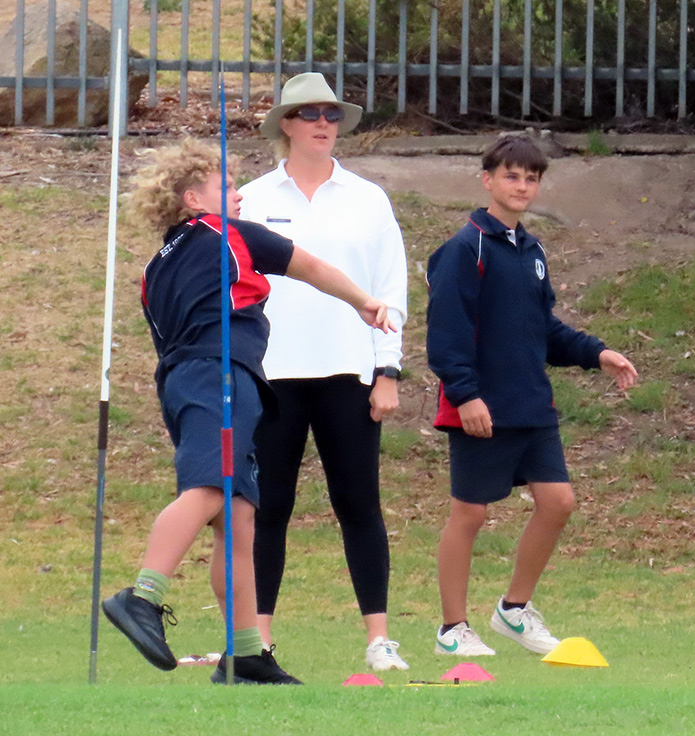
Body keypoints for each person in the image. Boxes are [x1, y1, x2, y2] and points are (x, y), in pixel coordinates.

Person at [101, 138, 393, 684]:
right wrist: (363, 300)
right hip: (220, 376)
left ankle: (245, 654)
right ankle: (141, 596)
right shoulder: (226, 234)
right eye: (226, 185)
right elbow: (307, 266)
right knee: (212, 488)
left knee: (236, 515)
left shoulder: (154, 267)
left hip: (186, 381)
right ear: (193, 198)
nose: (238, 194)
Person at [426, 134, 638, 658]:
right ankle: (452, 629)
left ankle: (513, 610)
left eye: (531, 178)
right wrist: (467, 395)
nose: (521, 186)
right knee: (469, 516)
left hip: (531, 406)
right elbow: (446, 336)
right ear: (488, 180)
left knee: (558, 502)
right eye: (511, 176)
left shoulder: (532, 249)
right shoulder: (464, 248)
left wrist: (597, 353)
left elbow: (541, 329)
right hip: (479, 408)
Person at [237, 72, 412, 672]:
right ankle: (256, 641)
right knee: (269, 509)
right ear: (285, 124)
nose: (322, 123)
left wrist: (387, 369)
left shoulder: (368, 199)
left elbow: (391, 289)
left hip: (349, 372)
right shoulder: (252, 199)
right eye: (308, 113)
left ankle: (379, 638)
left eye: (331, 114)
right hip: (272, 376)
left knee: (359, 504)